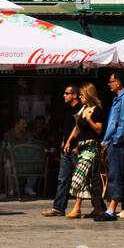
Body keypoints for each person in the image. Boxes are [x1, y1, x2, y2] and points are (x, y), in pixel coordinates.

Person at [66, 83, 108, 219]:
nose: (80, 97)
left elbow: (99, 130)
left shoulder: (97, 111)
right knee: (92, 180)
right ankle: (98, 209)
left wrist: (89, 119)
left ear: (88, 95)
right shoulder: (83, 109)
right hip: (82, 147)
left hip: (92, 148)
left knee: (79, 175)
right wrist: (69, 141)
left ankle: (77, 208)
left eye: (82, 95)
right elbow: (77, 128)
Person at [99, 72, 124, 222]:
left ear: (118, 82)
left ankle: (111, 210)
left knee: (116, 176)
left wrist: (114, 141)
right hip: (115, 143)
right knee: (120, 177)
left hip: (119, 144)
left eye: (111, 81)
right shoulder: (119, 99)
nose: (109, 84)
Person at [42, 84, 82, 218]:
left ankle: (100, 207)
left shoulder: (81, 108)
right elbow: (67, 128)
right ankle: (58, 207)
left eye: (67, 93)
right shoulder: (67, 109)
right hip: (66, 149)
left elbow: (79, 129)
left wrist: (74, 144)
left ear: (74, 95)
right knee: (63, 178)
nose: (63, 95)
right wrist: (65, 140)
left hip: (77, 149)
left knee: (83, 179)